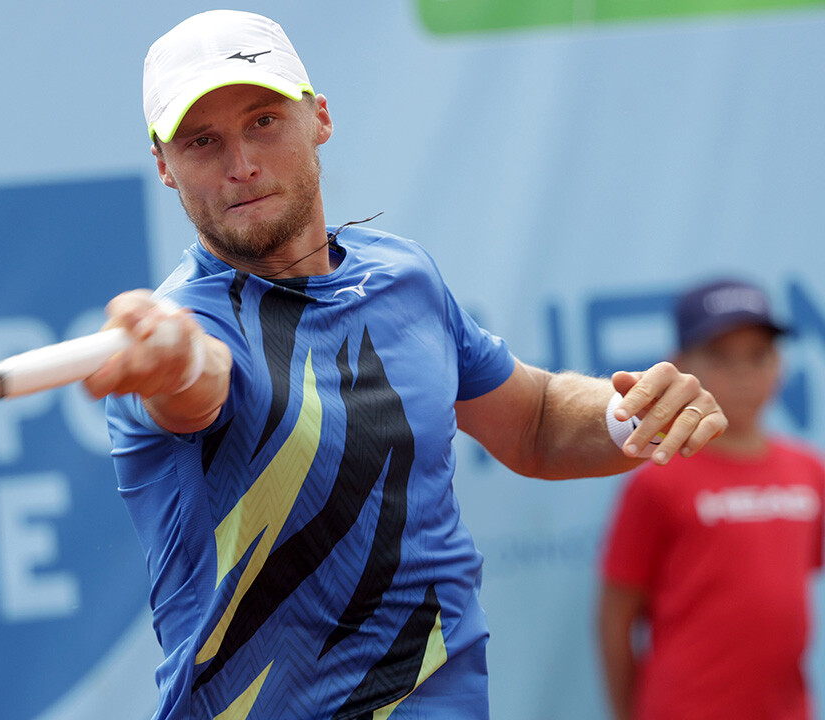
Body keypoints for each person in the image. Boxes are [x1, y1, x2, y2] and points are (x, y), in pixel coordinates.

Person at [80, 10, 726, 719]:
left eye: (264, 121)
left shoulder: (405, 276)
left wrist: (628, 413)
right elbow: (195, 383)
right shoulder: (192, 330)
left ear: (318, 118)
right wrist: (170, 361)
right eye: (203, 142)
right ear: (164, 168)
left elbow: (534, 424)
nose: (241, 165)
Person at [598, 278, 824, 720]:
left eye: (758, 356)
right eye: (721, 357)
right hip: (685, 707)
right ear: (681, 367)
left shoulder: (809, 470)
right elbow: (615, 616)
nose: (743, 374)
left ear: (779, 364)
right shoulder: (657, 478)